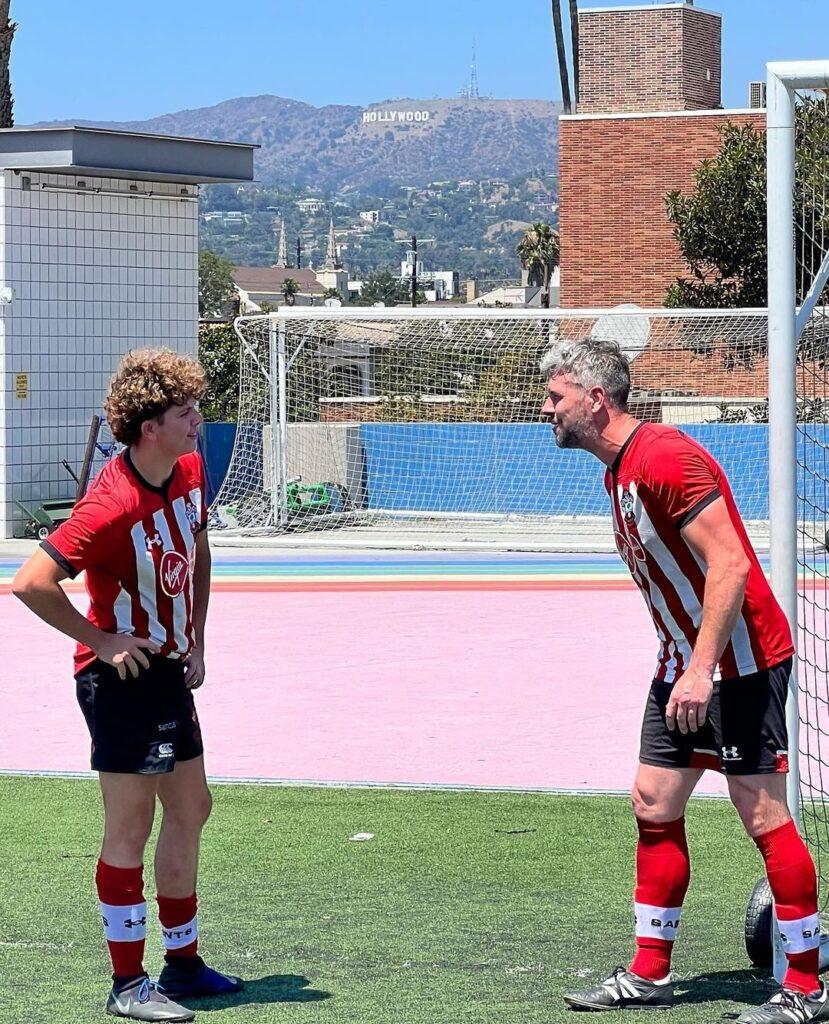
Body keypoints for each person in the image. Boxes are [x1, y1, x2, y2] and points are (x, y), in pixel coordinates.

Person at [540, 338, 826, 1023]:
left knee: (762, 815)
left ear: (594, 399)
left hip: (738, 662)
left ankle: (806, 990)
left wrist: (701, 670)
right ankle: (648, 973)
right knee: (652, 802)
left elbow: (728, 564)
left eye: (555, 398)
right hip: (683, 663)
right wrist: (685, 666)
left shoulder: (665, 456)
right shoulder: (618, 471)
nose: (545, 410)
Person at [13, 350, 242, 1022]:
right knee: (130, 826)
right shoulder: (109, 502)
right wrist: (103, 640)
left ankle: (184, 963)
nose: (197, 420)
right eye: (184, 412)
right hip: (120, 679)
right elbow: (30, 583)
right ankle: (127, 984)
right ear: (148, 427)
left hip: (169, 668)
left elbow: (197, 550)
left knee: (192, 807)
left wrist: (196, 636)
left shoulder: (189, 468)